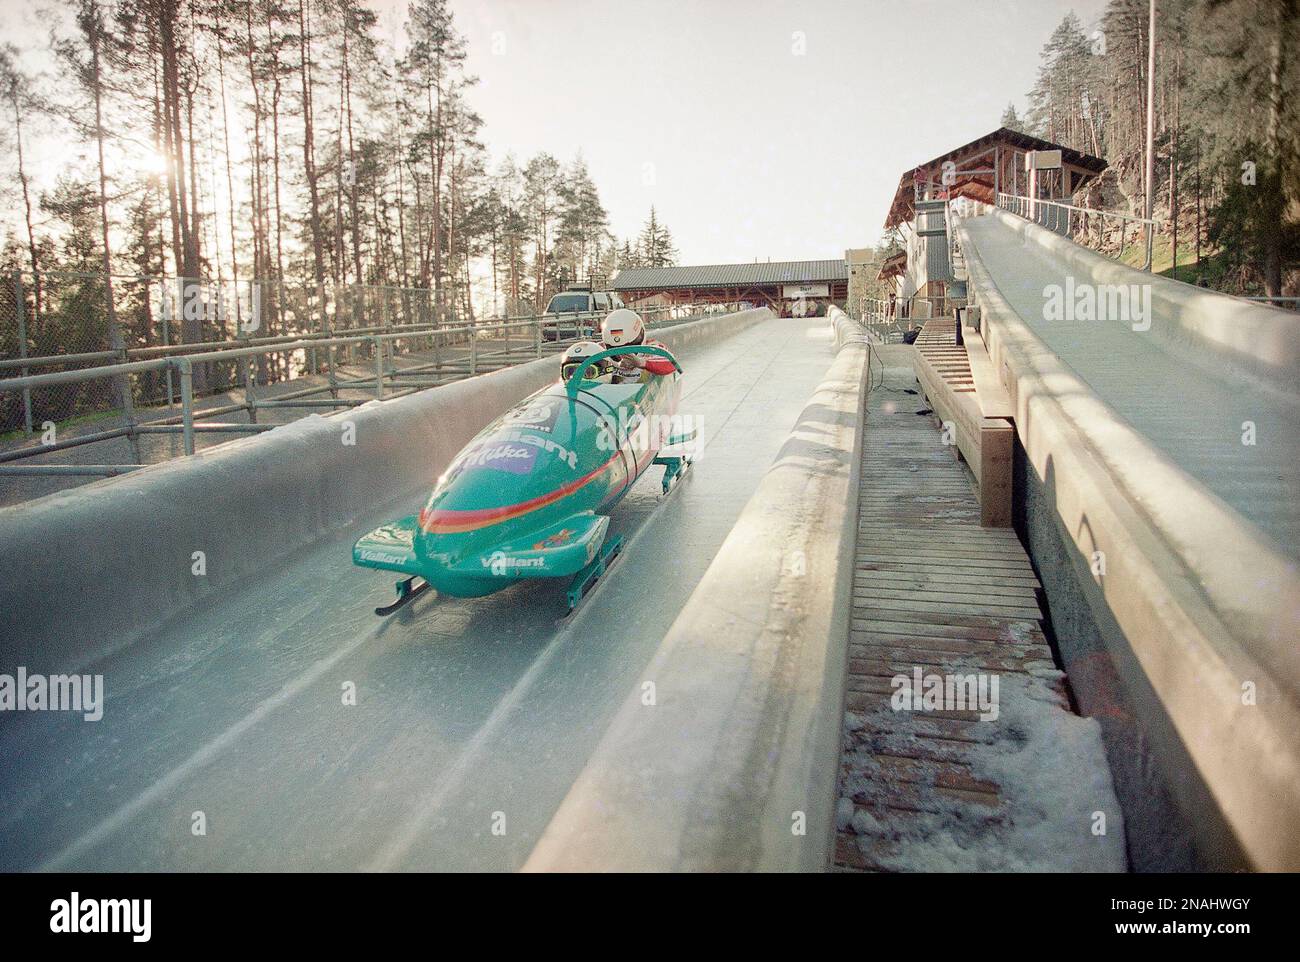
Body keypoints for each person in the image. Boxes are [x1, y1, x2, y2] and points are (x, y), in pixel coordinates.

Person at [599, 309, 676, 382]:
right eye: (614, 348)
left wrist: (642, 363)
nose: (621, 355)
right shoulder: (600, 349)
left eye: (628, 347)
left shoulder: (652, 347)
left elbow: (672, 363)